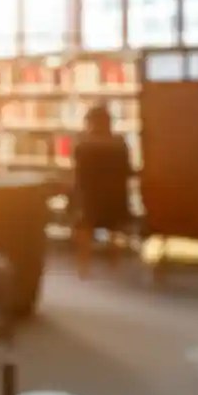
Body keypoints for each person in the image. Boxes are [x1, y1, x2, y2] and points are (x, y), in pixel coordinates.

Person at [71, 105, 133, 276]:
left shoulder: (83, 145)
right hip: (116, 203)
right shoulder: (120, 144)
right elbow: (128, 172)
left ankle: (83, 266)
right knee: (114, 225)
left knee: (82, 218)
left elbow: (79, 176)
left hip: (89, 204)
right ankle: (114, 262)